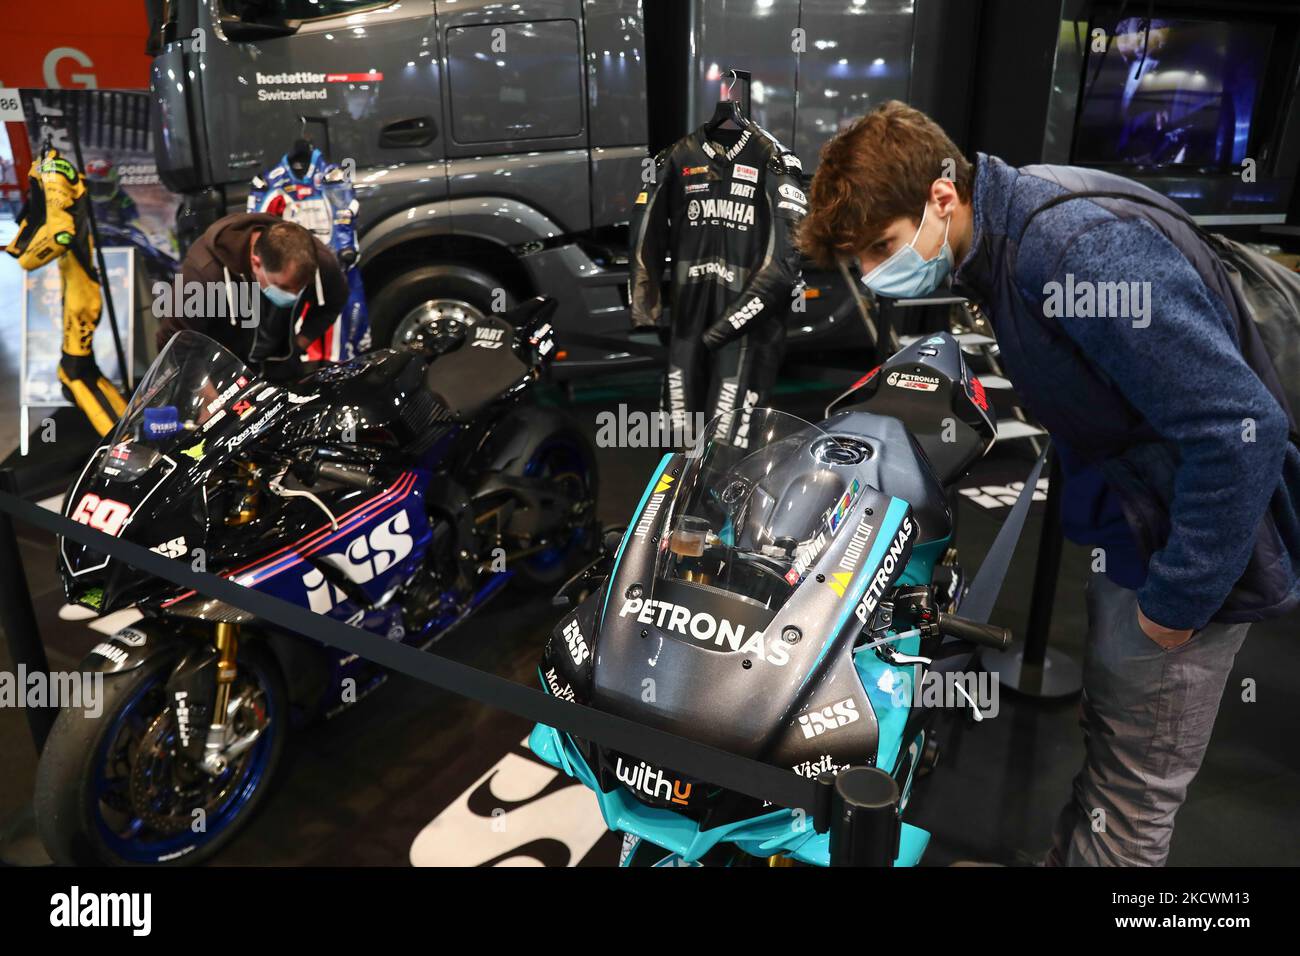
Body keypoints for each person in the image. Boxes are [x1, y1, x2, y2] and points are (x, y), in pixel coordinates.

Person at [797, 100, 1300, 866]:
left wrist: (1176, 601)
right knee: (1113, 754)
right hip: (1133, 537)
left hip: (1176, 565)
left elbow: (1242, 431)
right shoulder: (1005, 230)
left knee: (1134, 795)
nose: (873, 276)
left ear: (941, 196)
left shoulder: (1073, 250)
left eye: (882, 248)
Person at [158, 212, 348, 375]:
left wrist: (299, 344)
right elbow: (174, 341)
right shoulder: (205, 272)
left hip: (280, 365)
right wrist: (206, 396)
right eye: (283, 287)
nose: (293, 296)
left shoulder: (315, 259)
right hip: (220, 373)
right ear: (256, 263)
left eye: (300, 288)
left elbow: (336, 300)